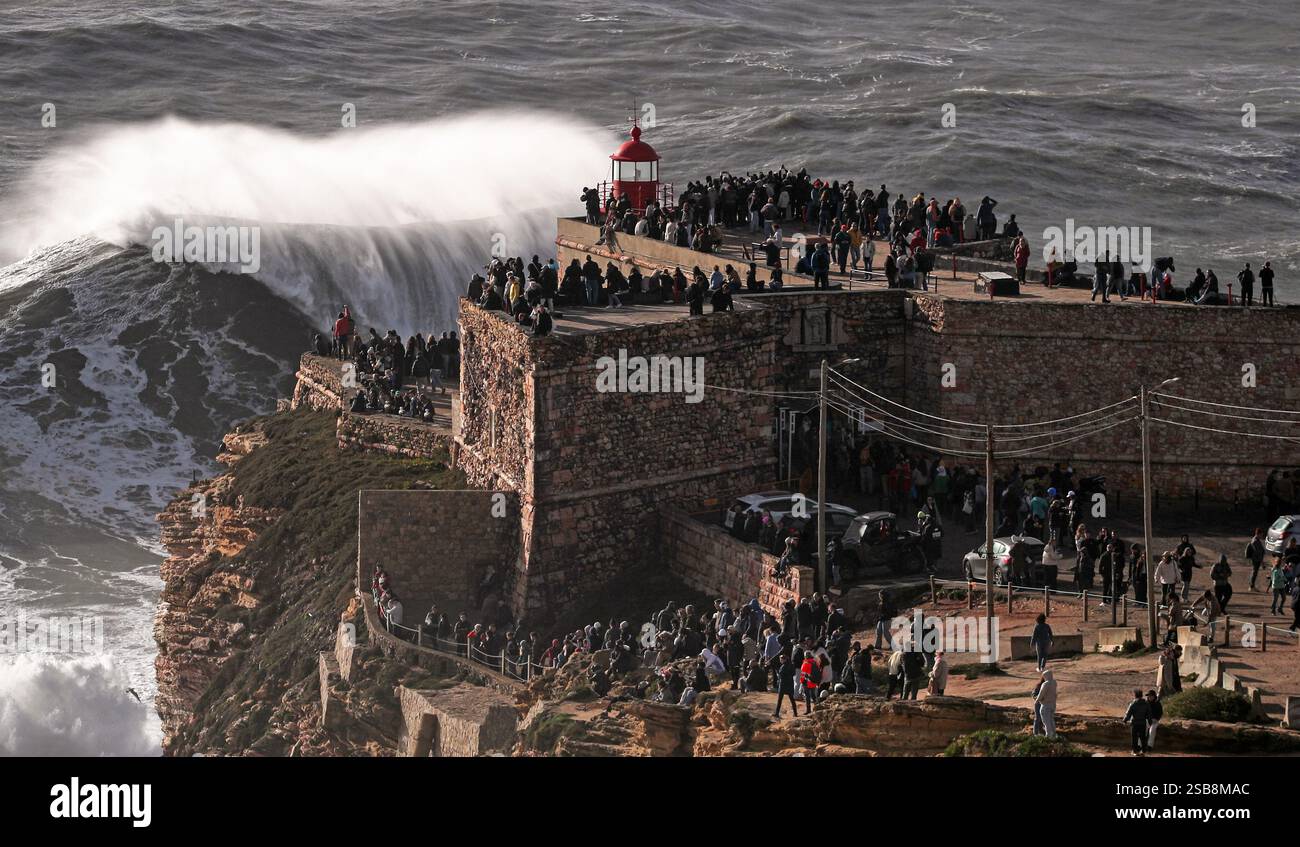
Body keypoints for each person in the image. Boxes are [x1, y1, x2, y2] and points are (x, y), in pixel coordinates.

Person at [1123, 688, 1151, 756]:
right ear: (1141, 695)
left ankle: (1135, 751)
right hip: (1143, 723)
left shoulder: (1133, 703)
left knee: (1134, 738)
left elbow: (1128, 713)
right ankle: (1143, 751)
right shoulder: (1146, 704)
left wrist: (1125, 720)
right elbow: (1149, 714)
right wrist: (1150, 722)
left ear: (1135, 695)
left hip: (1135, 723)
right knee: (1143, 738)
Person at [1033, 669, 1057, 738]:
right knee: (1051, 719)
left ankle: (1048, 735)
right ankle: (1054, 734)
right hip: (1052, 704)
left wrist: (1037, 700)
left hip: (1045, 705)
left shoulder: (1045, 684)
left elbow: (1041, 694)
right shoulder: (1054, 682)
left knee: (1046, 721)